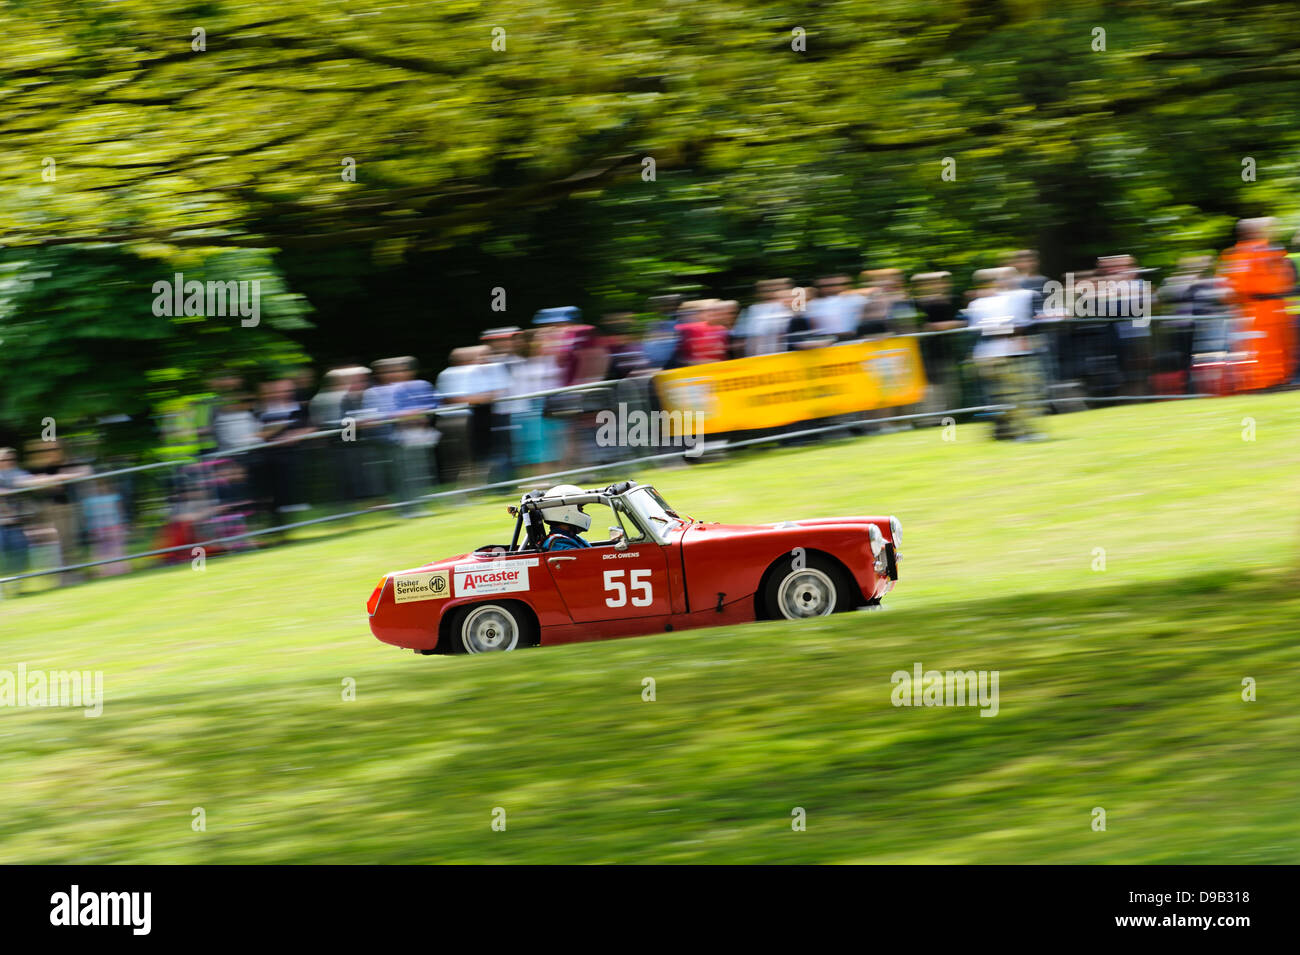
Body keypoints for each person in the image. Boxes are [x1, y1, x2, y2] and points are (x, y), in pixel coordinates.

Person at [538, 484, 591, 550]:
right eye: (580, 509)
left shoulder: (570, 537)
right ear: (565, 511)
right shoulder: (558, 543)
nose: (582, 512)